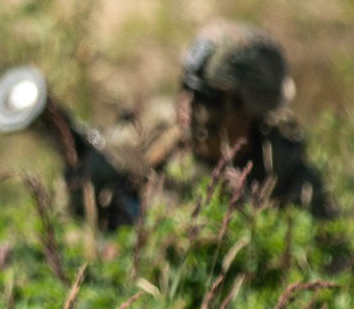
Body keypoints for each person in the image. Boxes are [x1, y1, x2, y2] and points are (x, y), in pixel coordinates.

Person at [109, 21, 333, 220]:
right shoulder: (158, 131)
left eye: (207, 97)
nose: (188, 103)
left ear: (248, 110)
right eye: (186, 87)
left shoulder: (286, 176)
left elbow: (333, 257)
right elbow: (101, 155)